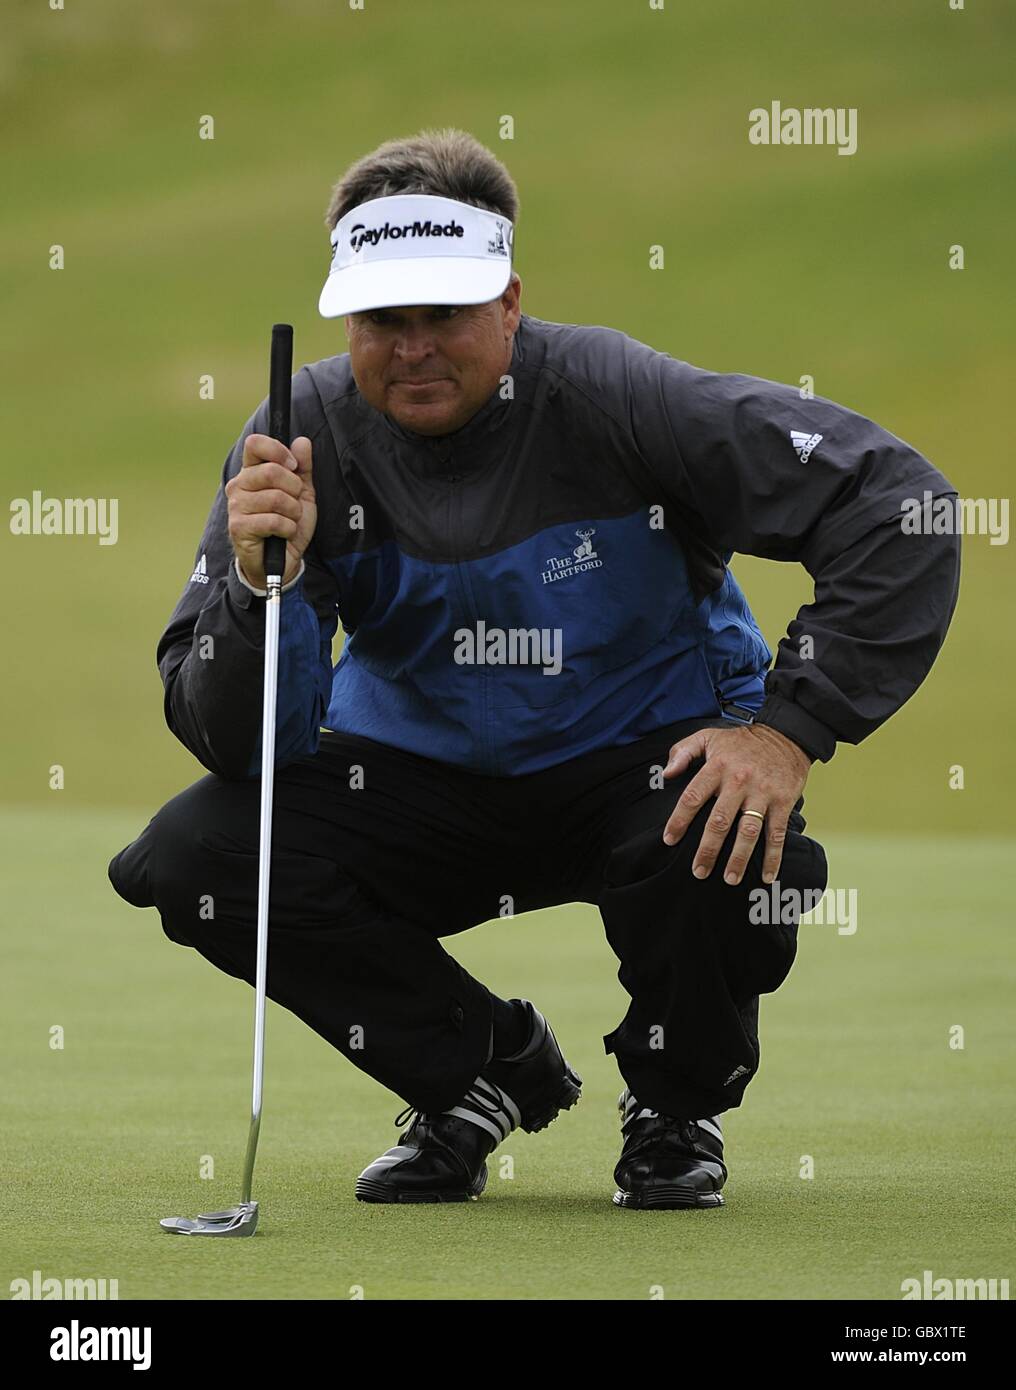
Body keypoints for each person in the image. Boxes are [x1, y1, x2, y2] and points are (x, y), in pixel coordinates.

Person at [109, 128, 961, 1209]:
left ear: (509, 302)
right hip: (415, 780)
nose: (413, 347)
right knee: (194, 852)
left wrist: (786, 728)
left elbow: (899, 504)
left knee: (714, 819)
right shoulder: (295, 438)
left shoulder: (617, 393)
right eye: (383, 319)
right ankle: (473, 1074)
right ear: (342, 317)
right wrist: (254, 586)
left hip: (644, 762)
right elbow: (243, 748)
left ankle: (673, 1101)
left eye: (446, 315)